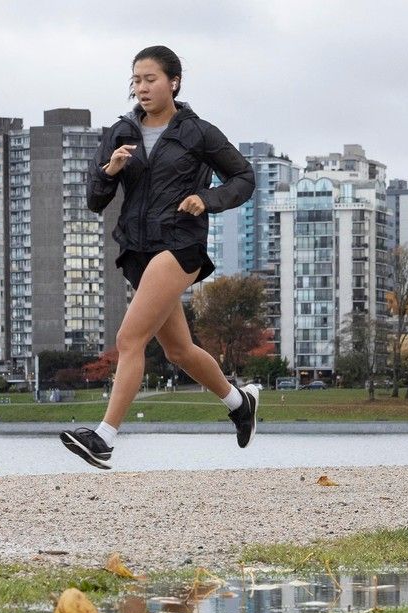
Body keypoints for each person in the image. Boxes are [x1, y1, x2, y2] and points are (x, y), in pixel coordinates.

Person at [60, 45, 258, 470]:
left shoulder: (198, 133)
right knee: (179, 351)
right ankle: (239, 403)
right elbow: (95, 200)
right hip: (138, 249)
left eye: (150, 79)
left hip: (180, 244)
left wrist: (206, 199)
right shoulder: (120, 132)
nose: (142, 87)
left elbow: (244, 177)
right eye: (136, 80)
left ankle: (104, 437)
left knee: (129, 340)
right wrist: (109, 171)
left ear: (174, 82)